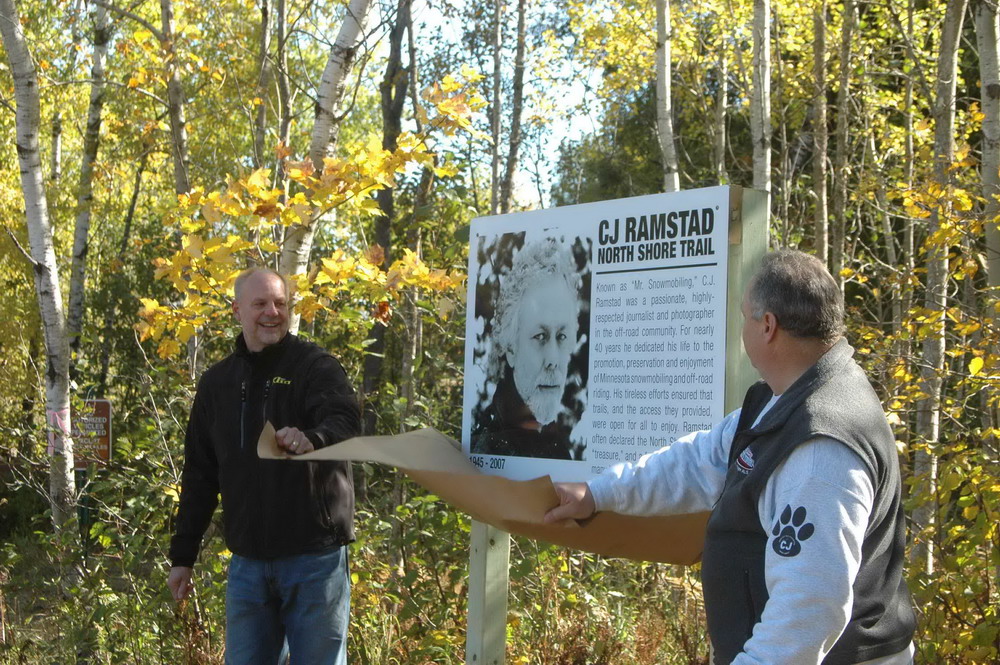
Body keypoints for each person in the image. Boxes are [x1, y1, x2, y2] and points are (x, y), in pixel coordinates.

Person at [545, 250, 916, 664]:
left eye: (745, 316)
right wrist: (597, 494)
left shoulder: (820, 445)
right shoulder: (782, 401)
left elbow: (811, 605)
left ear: (768, 326)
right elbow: (694, 462)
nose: (742, 329)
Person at [167, 267, 361, 665]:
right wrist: (183, 555)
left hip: (314, 562)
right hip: (248, 568)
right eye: (260, 304)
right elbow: (200, 475)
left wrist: (313, 438)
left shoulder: (315, 366)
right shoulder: (217, 384)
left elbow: (345, 420)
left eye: (280, 303)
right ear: (237, 310)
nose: (272, 312)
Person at [471, 238, 582, 459]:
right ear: (510, 347)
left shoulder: (554, 444)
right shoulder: (486, 444)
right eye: (540, 336)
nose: (552, 359)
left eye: (561, 336)